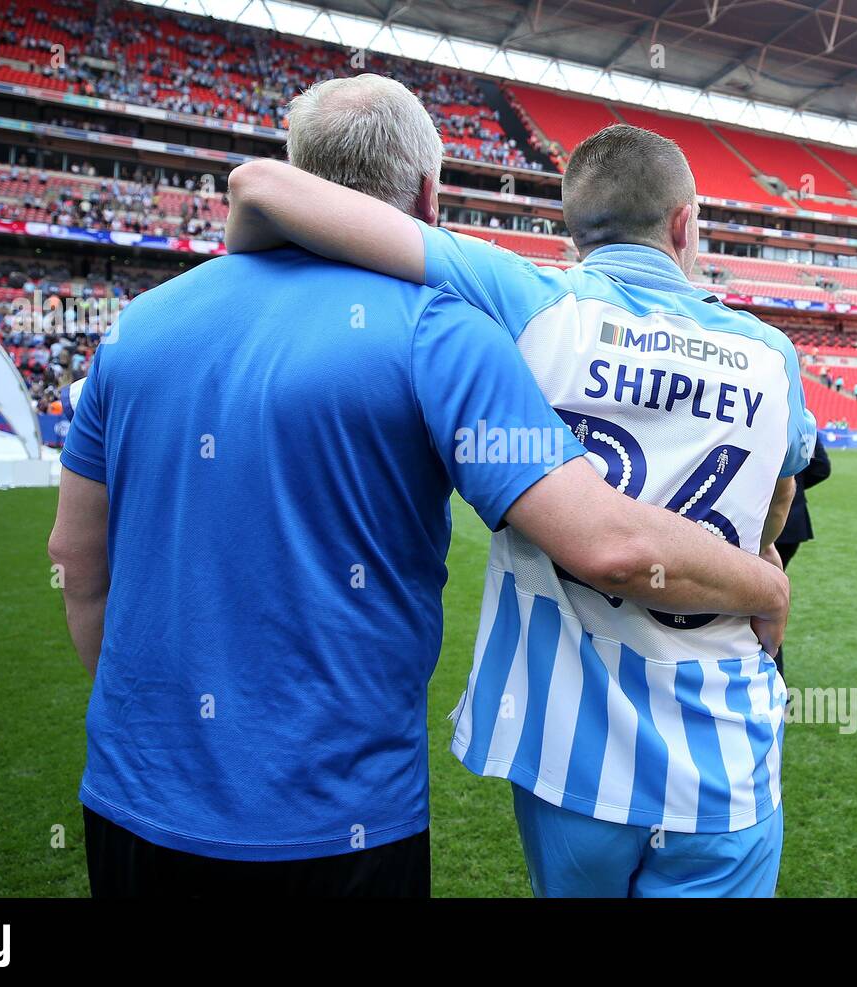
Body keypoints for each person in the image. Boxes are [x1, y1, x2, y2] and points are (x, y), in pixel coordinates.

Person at [49, 77, 789, 900]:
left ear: (300, 169)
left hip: (131, 798)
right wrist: (763, 579)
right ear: (431, 192)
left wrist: (158, 743)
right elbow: (608, 542)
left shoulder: (134, 327)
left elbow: (76, 561)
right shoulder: (439, 329)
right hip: (338, 817)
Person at [226, 120, 816, 898]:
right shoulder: (773, 353)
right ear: (684, 224)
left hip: (569, 751)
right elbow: (782, 488)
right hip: (726, 754)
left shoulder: (529, 298)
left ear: (573, 230)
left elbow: (264, 184)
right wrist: (763, 566)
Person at [772, 438, 831, 677]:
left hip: (760, 521)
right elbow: (822, 468)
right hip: (793, 524)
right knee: (769, 597)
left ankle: (771, 680)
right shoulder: (800, 417)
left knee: (755, 602)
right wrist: (795, 492)